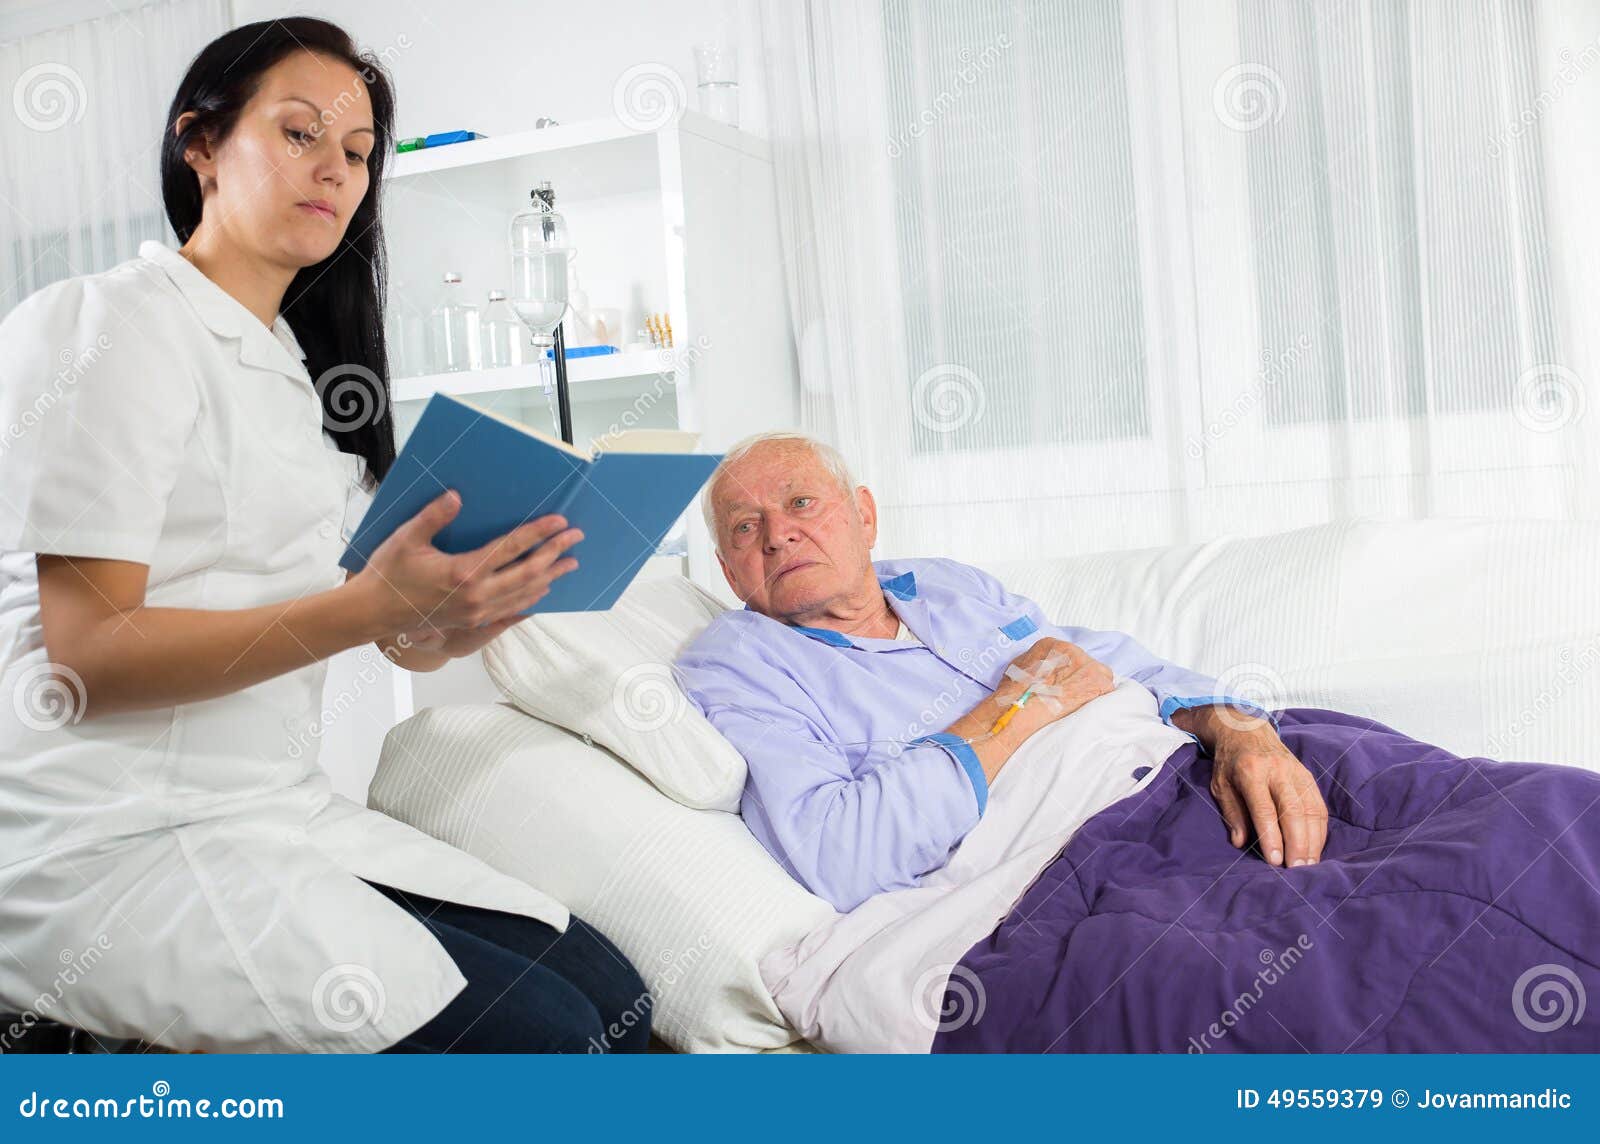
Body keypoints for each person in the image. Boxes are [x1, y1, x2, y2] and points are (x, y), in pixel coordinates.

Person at [0, 18, 648, 1053]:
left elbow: (375, 623)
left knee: (615, 997)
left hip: (267, 809)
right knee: (544, 1038)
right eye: (299, 133)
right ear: (199, 144)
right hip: (104, 836)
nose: (334, 172)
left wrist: (446, 620)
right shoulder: (110, 327)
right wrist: (369, 609)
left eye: (355, 155)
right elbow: (87, 657)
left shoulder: (299, 380)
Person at [675, 432, 1323, 912]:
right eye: (745, 527)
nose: (778, 535)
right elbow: (838, 856)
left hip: (1197, 761)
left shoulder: (940, 583)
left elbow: (1103, 659)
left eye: (801, 502)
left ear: (864, 516)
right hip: (1093, 856)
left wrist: (1238, 728)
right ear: (729, 572)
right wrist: (1019, 705)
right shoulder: (738, 663)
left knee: (1404, 789)